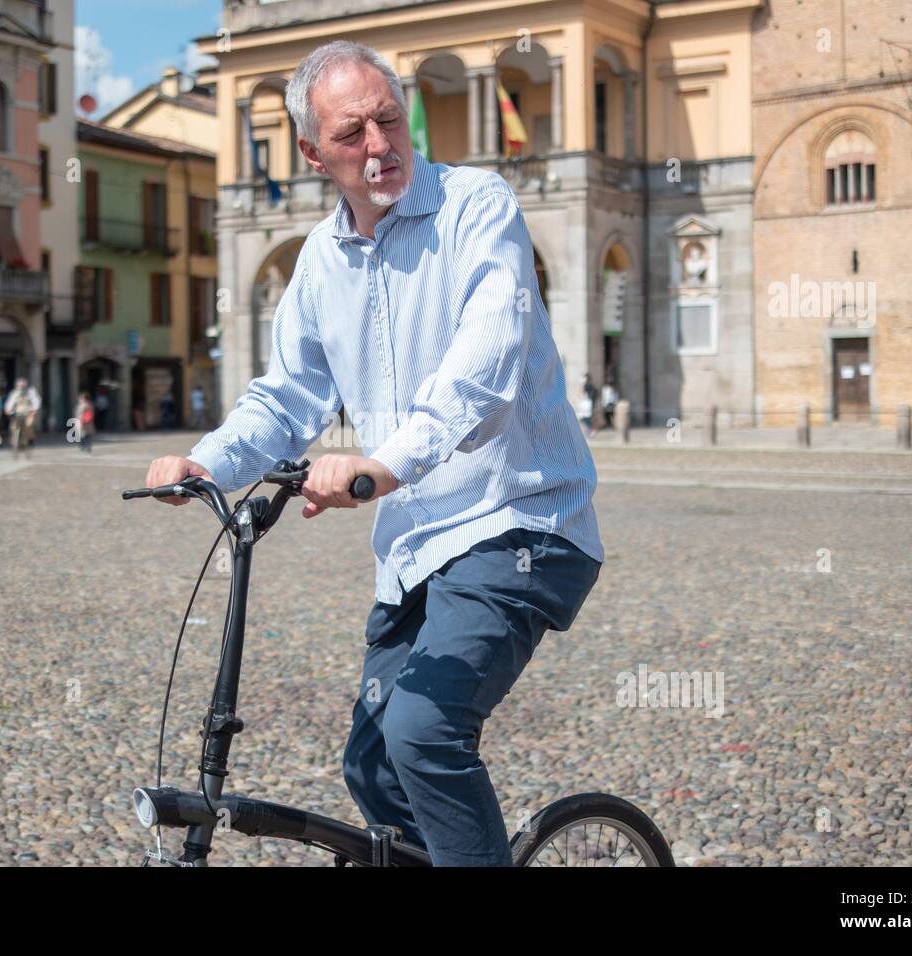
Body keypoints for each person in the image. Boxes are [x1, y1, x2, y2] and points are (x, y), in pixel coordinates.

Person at [144, 41, 604, 868]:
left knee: (423, 730)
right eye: (352, 132)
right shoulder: (320, 263)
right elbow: (287, 396)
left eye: (388, 118)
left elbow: (486, 363)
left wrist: (384, 464)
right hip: (418, 548)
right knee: (372, 763)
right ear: (314, 154)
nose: (380, 144)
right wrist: (207, 462)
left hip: (521, 523)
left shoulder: (478, 206)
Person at [4, 377, 38, 458]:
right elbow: (10, 402)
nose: (21, 387)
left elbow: (35, 401)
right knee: (13, 428)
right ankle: (15, 444)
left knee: (29, 426)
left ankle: (30, 441)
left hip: (28, 414)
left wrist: (34, 410)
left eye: (22, 385)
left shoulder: (30, 392)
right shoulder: (14, 393)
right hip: (17, 414)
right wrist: (8, 409)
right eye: (20, 385)